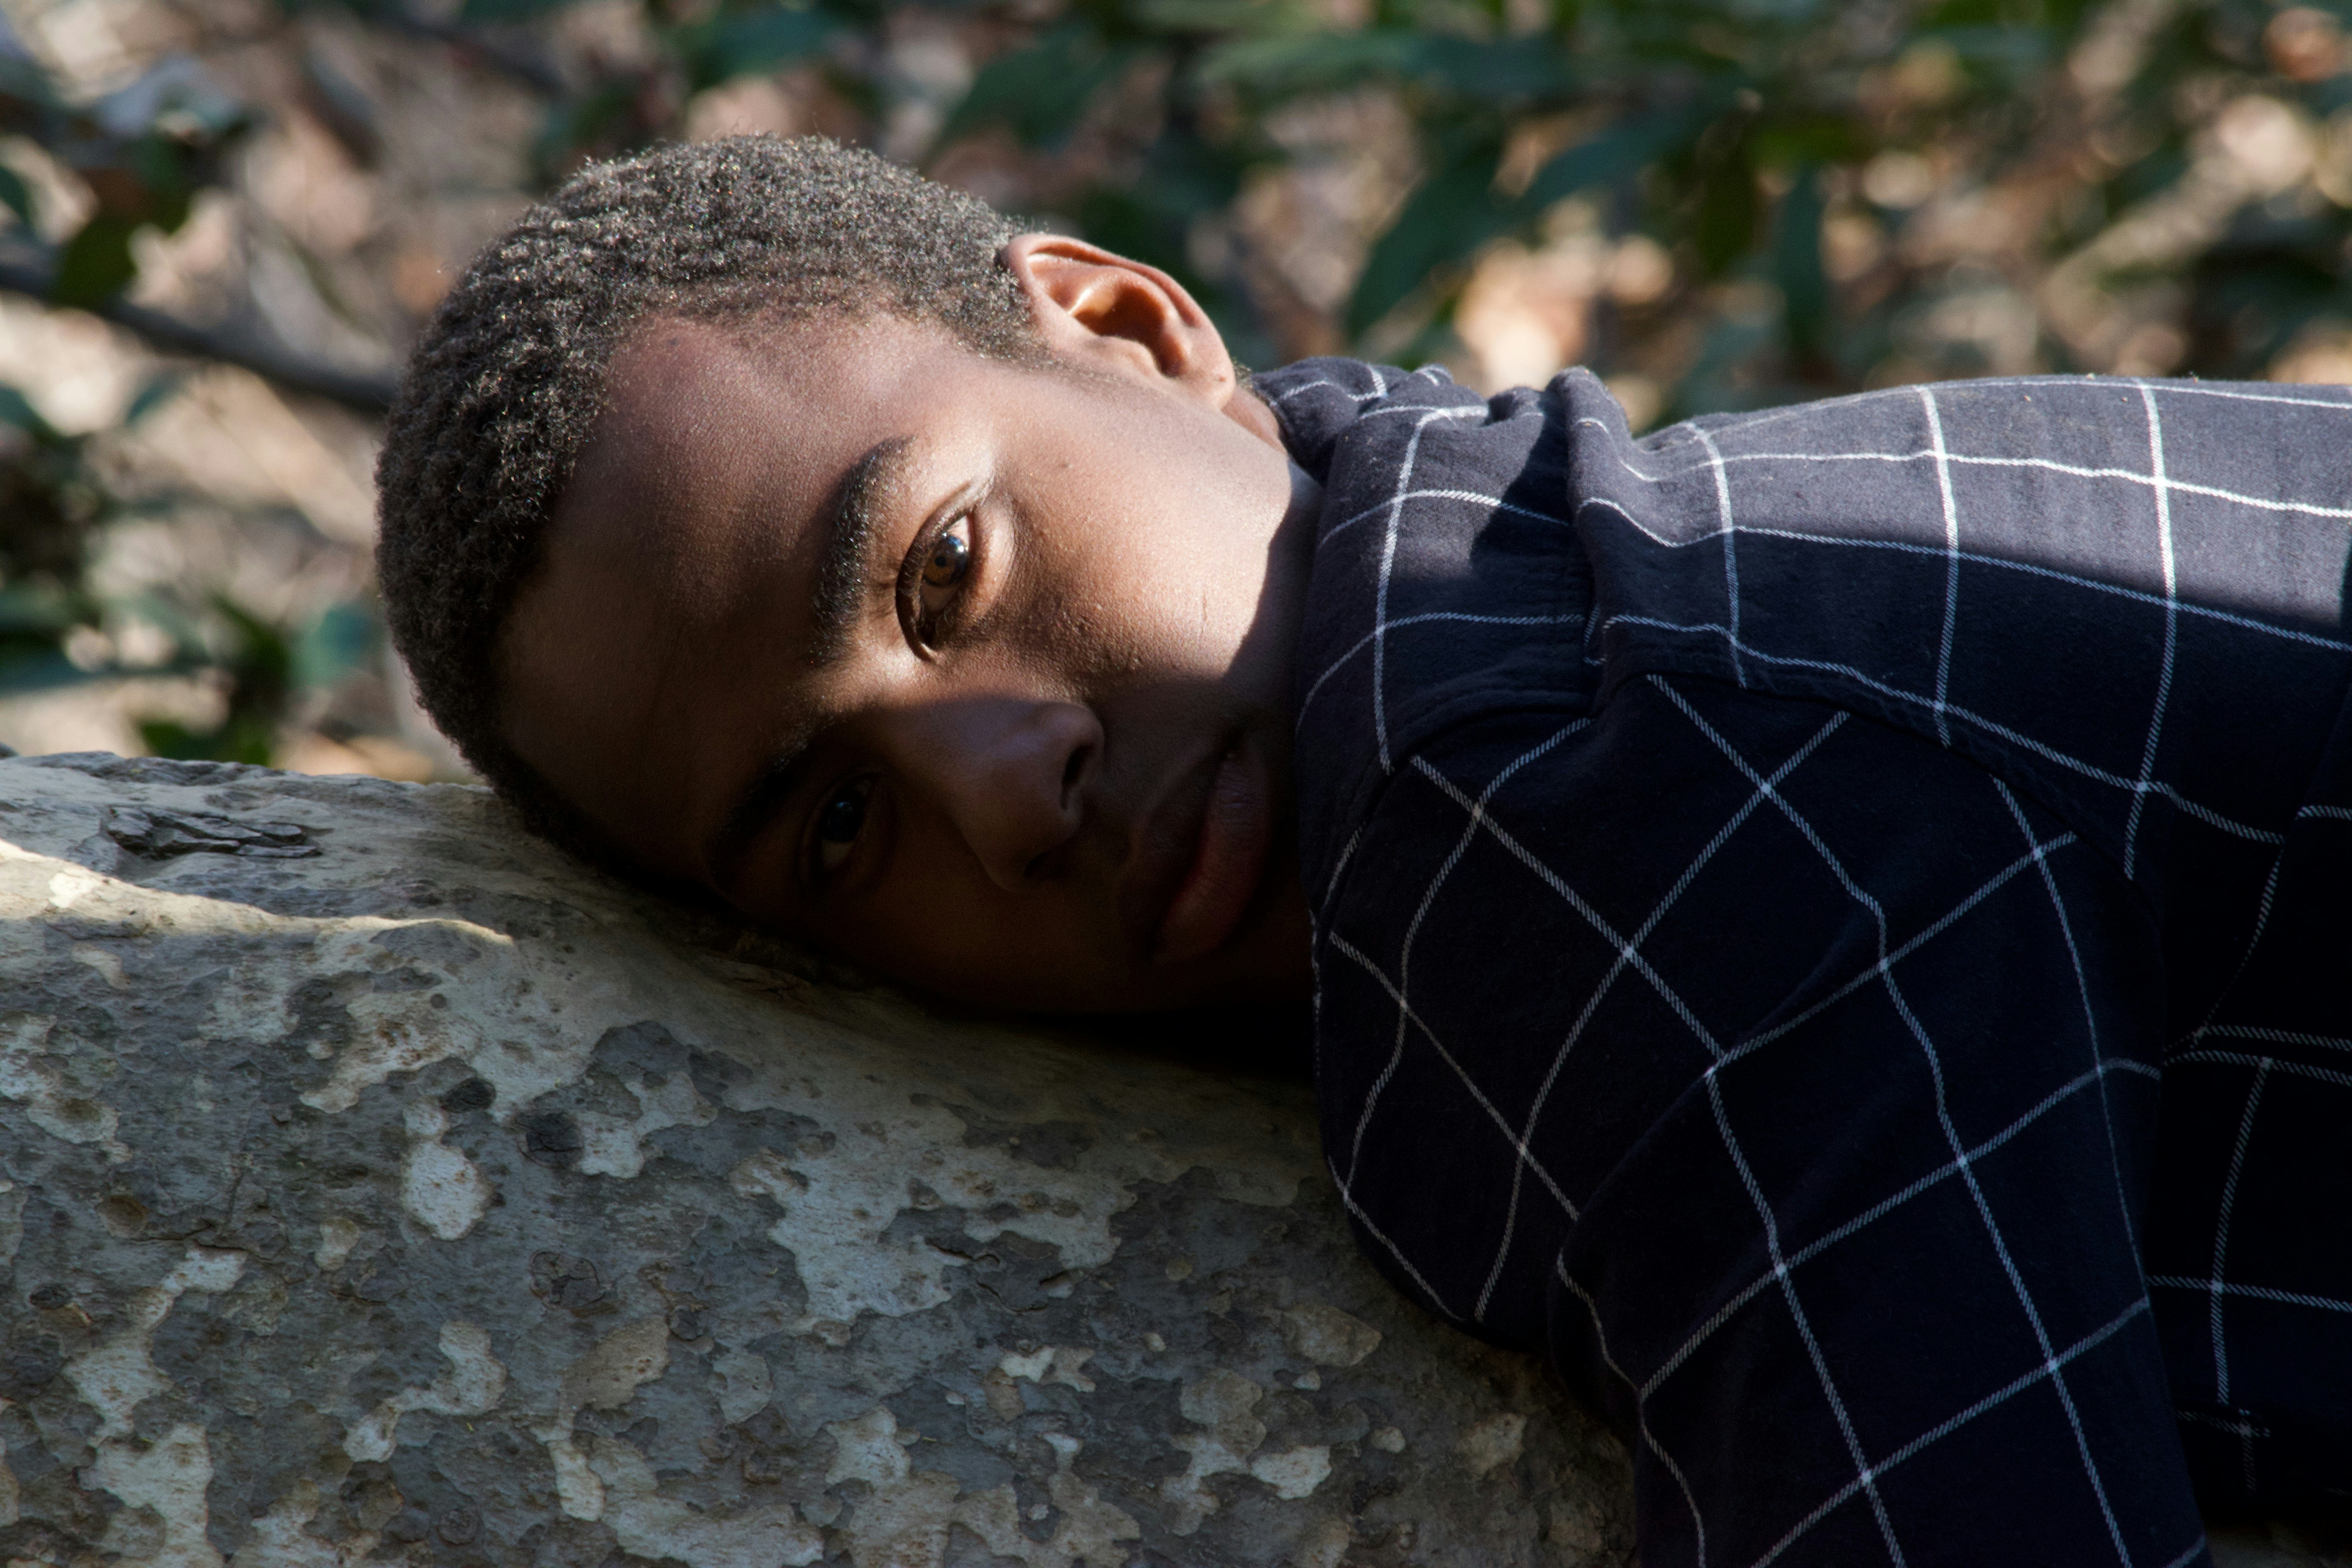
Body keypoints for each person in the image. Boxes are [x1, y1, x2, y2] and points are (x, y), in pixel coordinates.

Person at [374, 134, 2352, 1565]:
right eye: (831, 822)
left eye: (945, 568)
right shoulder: (1511, 540)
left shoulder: (1575, 806)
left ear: (1125, 329)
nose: (999, 792)